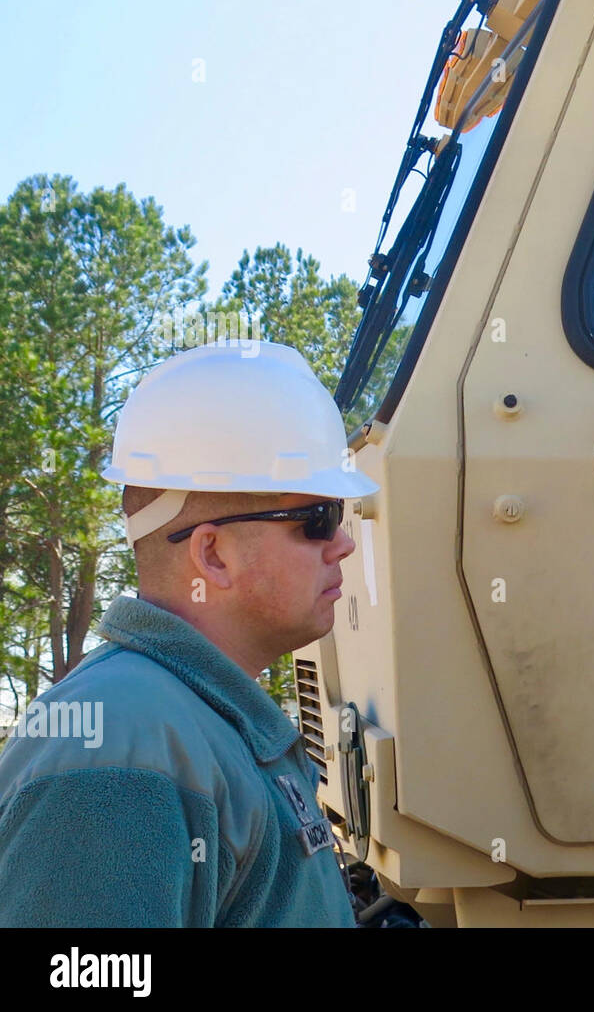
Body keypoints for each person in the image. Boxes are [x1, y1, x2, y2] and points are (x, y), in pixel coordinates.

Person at [0, 341, 378, 927]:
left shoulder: (192, 726)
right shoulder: (119, 756)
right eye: (317, 518)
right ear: (213, 554)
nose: (343, 542)